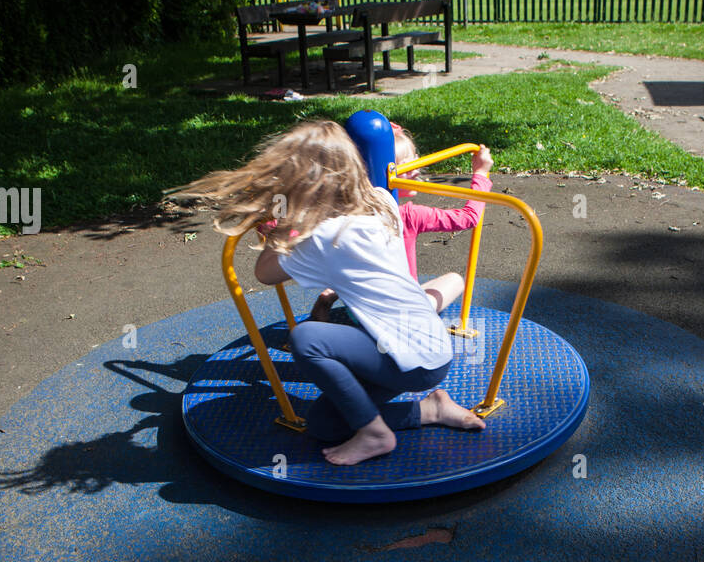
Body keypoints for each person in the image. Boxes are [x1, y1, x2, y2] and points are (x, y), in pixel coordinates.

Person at [172, 120, 485, 466]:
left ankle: (375, 435)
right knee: (323, 424)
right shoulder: (382, 202)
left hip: (408, 360)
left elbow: (265, 273)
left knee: (307, 338)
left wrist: (283, 225)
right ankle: (429, 409)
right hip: (427, 351)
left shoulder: (324, 237)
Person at [309, 122, 493, 322]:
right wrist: (481, 174)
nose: (416, 167)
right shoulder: (409, 216)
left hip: (358, 310)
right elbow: (469, 217)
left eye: (414, 157)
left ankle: (329, 296)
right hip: (400, 315)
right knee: (455, 281)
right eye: (406, 163)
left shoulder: (346, 212)